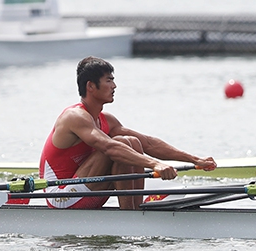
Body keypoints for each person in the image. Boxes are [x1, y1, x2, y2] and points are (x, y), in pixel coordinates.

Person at [40, 57, 218, 210]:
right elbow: (109, 147)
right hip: (61, 196)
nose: (114, 85)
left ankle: (133, 211)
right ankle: (131, 217)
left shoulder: (106, 119)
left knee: (132, 141)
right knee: (121, 144)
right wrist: (155, 165)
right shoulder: (74, 116)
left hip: (85, 191)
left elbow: (149, 143)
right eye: (109, 80)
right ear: (91, 86)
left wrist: (195, 160)